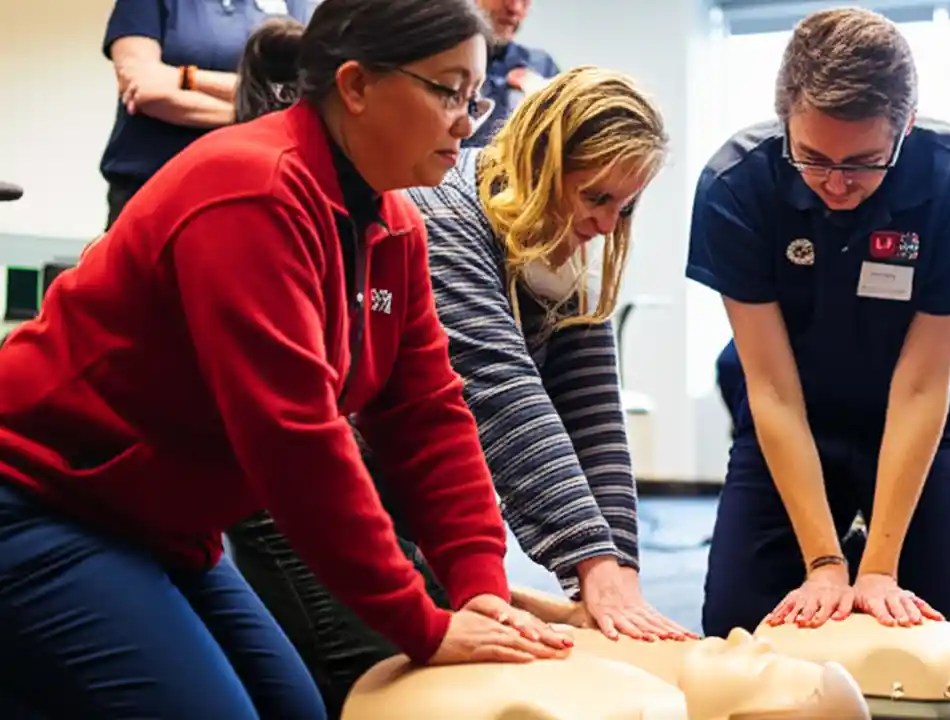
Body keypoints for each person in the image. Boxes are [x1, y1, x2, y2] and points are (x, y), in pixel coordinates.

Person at [0, 1, 571, 717]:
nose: (467, 119)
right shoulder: (251, 190)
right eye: (448, 91)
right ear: (357, 86)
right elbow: (294, 437)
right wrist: (419, 621)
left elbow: (426, 412)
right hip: (38, 502)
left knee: (295, 709)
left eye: (475, 96)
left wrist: (477, 582)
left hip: (164, 524)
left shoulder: (393, 224)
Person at [225, 50, 691, 714]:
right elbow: (500, 389)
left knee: (467, 653)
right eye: (597, 197)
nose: (607, 224)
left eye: (627, 204)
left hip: (400, 490)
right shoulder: (443, 214)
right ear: (540, 164)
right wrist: (589, 561)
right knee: (393, 683)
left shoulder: (568, 254)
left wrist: (617, 573)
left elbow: (594, 419)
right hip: (300, 478)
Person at [689, 7, 950, 639]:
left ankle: (924, 556)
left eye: (864, 161)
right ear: (784, 118)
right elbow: (772, 389)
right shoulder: (735, 183)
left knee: (941, 628)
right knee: (737, 626)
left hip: (922, 416)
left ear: (906, 126)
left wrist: (879, 571)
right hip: (793, 412)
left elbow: (923, 386)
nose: (836, 183)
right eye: (811, 157)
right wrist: (826, 563)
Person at [99, 0, 314, 228]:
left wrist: (185, 78)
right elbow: (141, 86)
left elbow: (308, 94)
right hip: (151, 191)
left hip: (257, 194)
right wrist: (263, 111)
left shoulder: (302, 6)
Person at [468, 0, 560, 148]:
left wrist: (541, 96)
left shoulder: (542, 67)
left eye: (525, 1)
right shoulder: (440, 55)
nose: (515, 8)